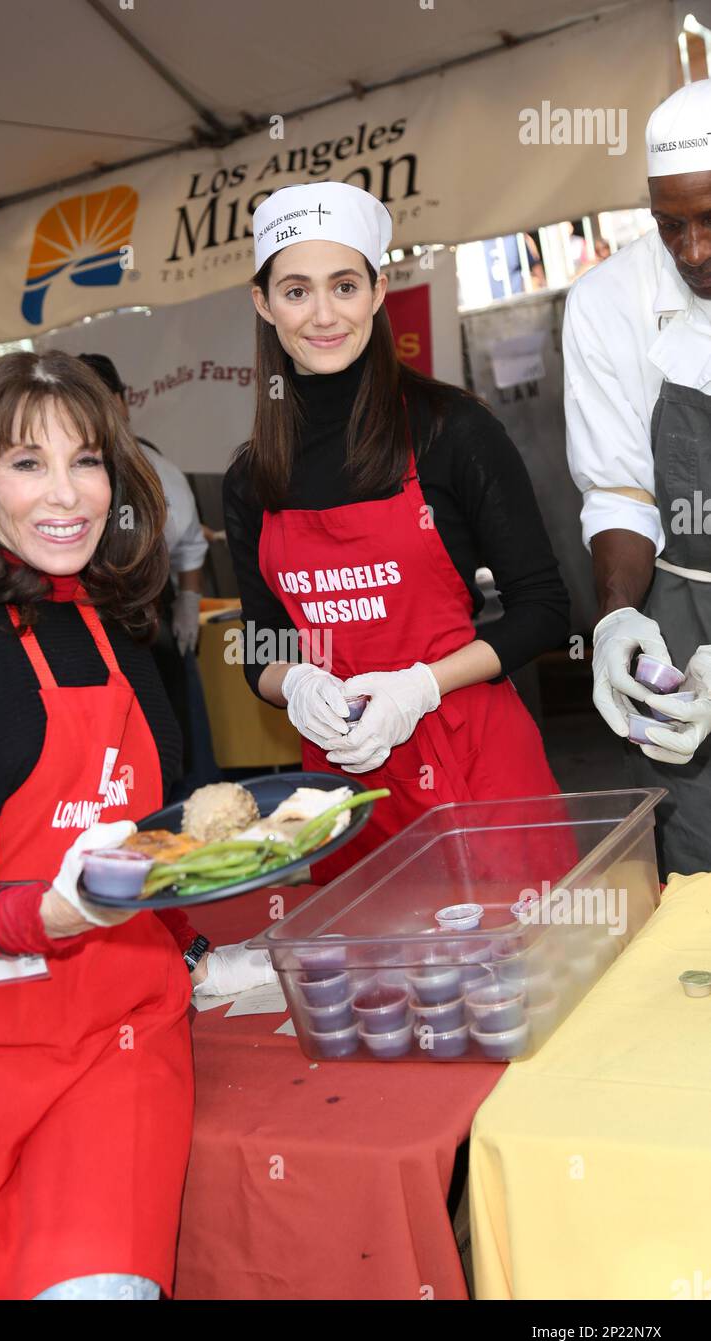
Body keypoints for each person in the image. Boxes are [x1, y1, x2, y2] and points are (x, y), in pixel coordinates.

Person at [0, 350, 267, 1301]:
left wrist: (197, 944)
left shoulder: (123, 625)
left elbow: (146, 832)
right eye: (27, 463)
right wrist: (50, 913)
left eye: (86, 461)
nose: (66, 494)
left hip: (115, 1037)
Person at [222, 181, 570, 879]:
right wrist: (297, 684)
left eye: (345, 286)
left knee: (526, 945)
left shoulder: (454, 431)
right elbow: (263, 643)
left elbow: (544, 610)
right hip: (343, 788)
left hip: (476, 761)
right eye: (296, 291)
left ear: (378, 292)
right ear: (263, 303)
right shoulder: (252, 478)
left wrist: (419, 688)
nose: (324, 315)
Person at [563, 79, 711, 877]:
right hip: (680, 611)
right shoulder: (607, 301)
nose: (692, 251)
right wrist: (618, 616)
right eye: (669, 225)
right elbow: (620, 489)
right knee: (695, 856)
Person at [78, 352, 220, 793]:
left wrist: (189, 602)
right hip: (85, 627)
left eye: (102, 399)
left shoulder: (154, 467)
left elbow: (190, 544)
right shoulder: (63, 477)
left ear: (122, 402)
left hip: (154, 625)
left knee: (173, 742)